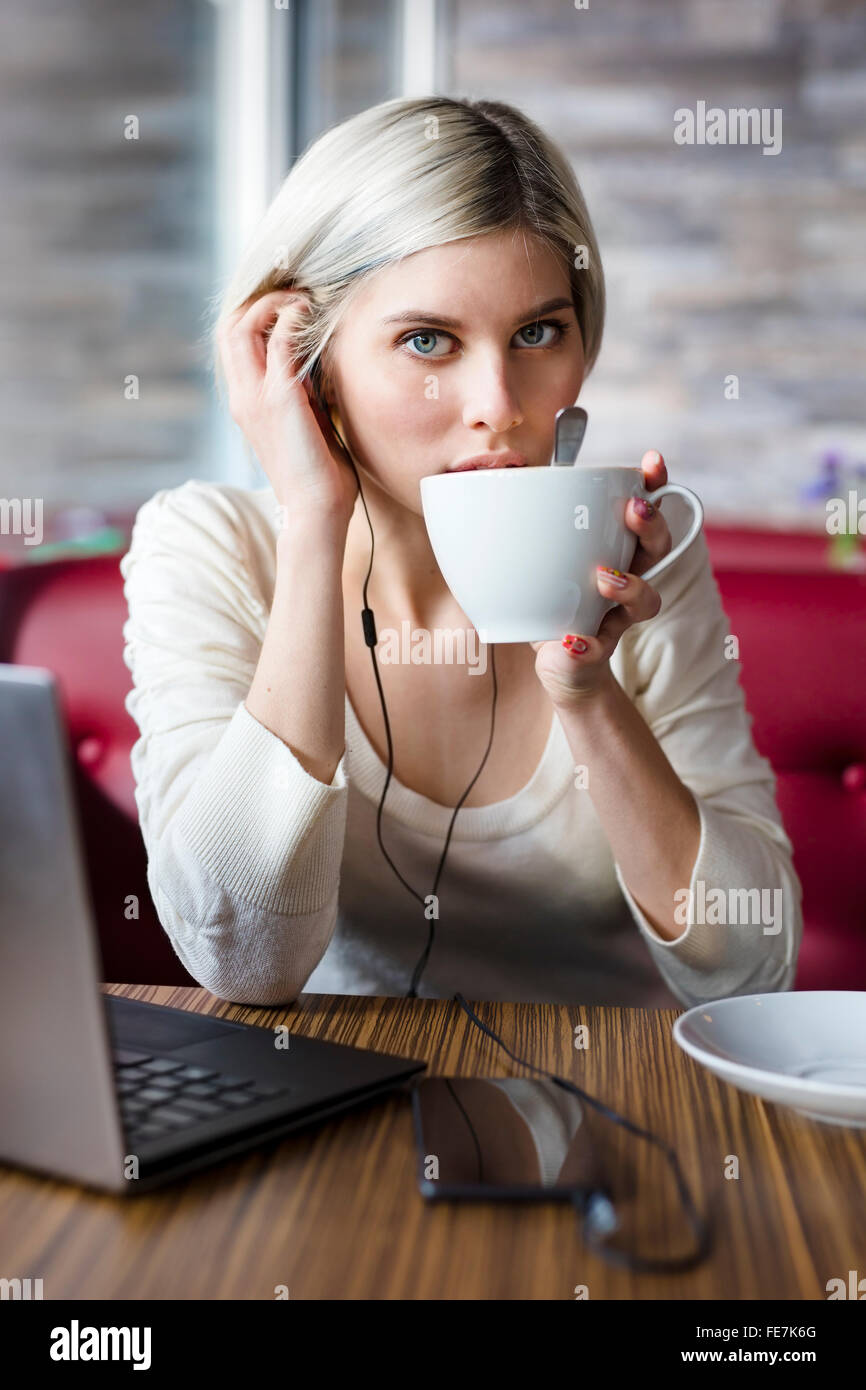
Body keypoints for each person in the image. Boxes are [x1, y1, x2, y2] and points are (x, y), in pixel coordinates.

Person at [120, 95, 802, 1008]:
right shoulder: (209, 545)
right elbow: (245, 959)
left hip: (618, 1106)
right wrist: (313, 520)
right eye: (427, 340)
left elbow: (756, 969)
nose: (502, 405)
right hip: (337, 1115)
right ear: (308, 361)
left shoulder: (634, 554)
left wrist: (587, 691)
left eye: (537, 333)